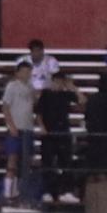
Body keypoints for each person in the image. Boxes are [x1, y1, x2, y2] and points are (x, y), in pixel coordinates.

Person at [36, 70, 79, 203]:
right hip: (49, 134)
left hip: (63, 132)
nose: (59, 84)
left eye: (61, 82)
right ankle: (47, 192)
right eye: (57, 81)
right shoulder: (45, 95)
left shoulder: (66, 95)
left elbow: (83, 100)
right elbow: (39, 114)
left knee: (65, 162)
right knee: (48, 163)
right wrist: (42, 127)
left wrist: (72, 87)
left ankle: (66, 191)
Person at [0, 70, 39, 205]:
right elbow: (5, 107)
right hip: (15, 129)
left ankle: (17, 191)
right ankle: (7, 191)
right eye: (25, 71)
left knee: (26, 162)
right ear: (18, 73)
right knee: (12, 159)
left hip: (28, 129)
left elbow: (34, 104)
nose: (27, 74)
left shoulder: (31, 87)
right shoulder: (12, 86)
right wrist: (11, 126)